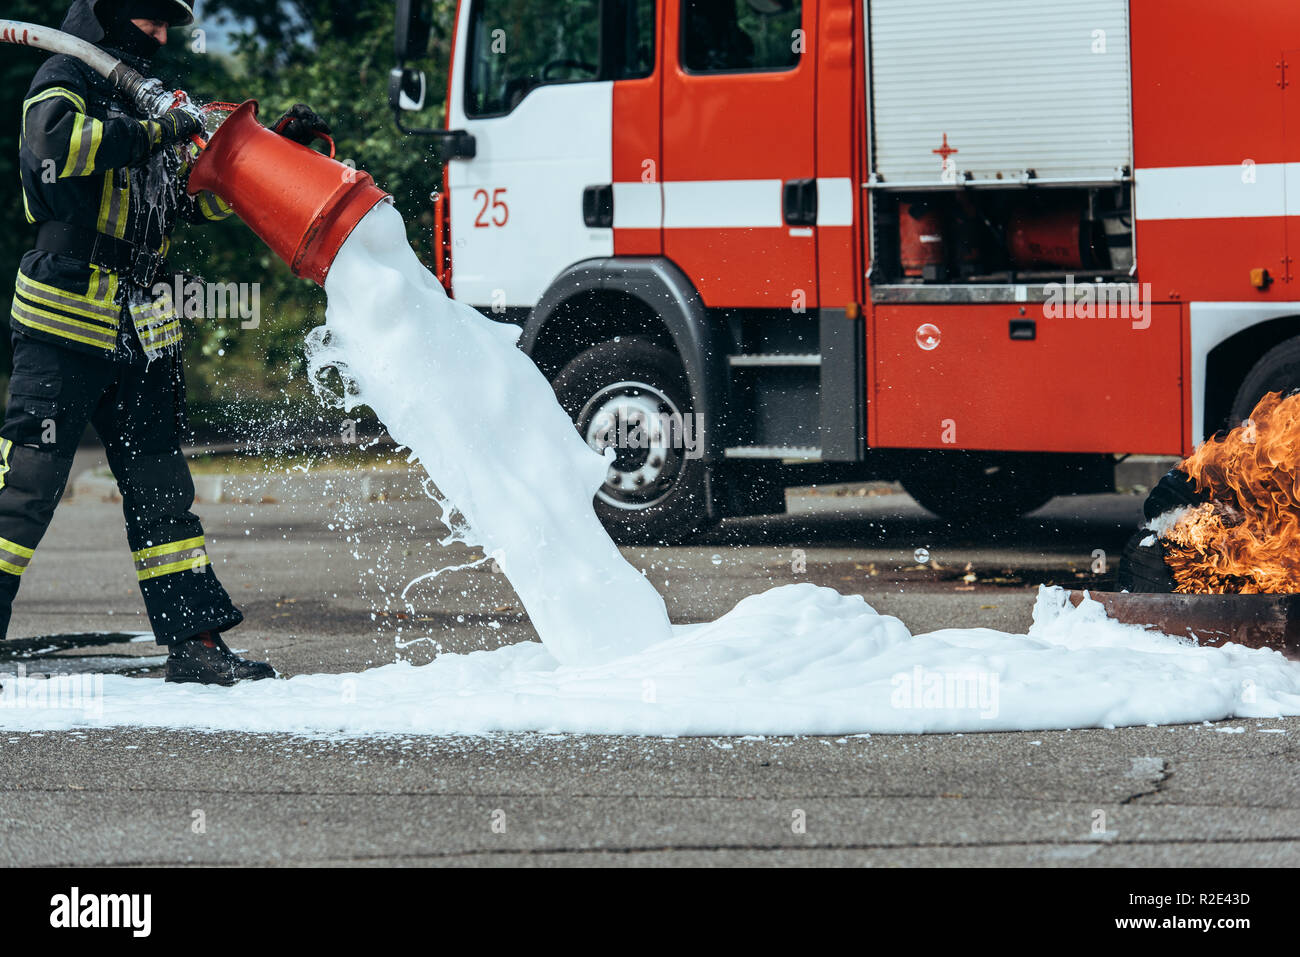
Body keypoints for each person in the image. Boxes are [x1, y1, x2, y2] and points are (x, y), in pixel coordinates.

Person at [3, 0, 330, 684]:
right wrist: (151, 129)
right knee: (25, 493)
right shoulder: (66, 75)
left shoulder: (156, 105)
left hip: (145, 332)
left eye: (165, 23)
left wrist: (275, 149)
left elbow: (194, 198)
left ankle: (197, 645)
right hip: (63, 323)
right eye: (146, 19)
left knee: (162, 496)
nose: (158, 34)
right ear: (108, 13)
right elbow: (52, 155)